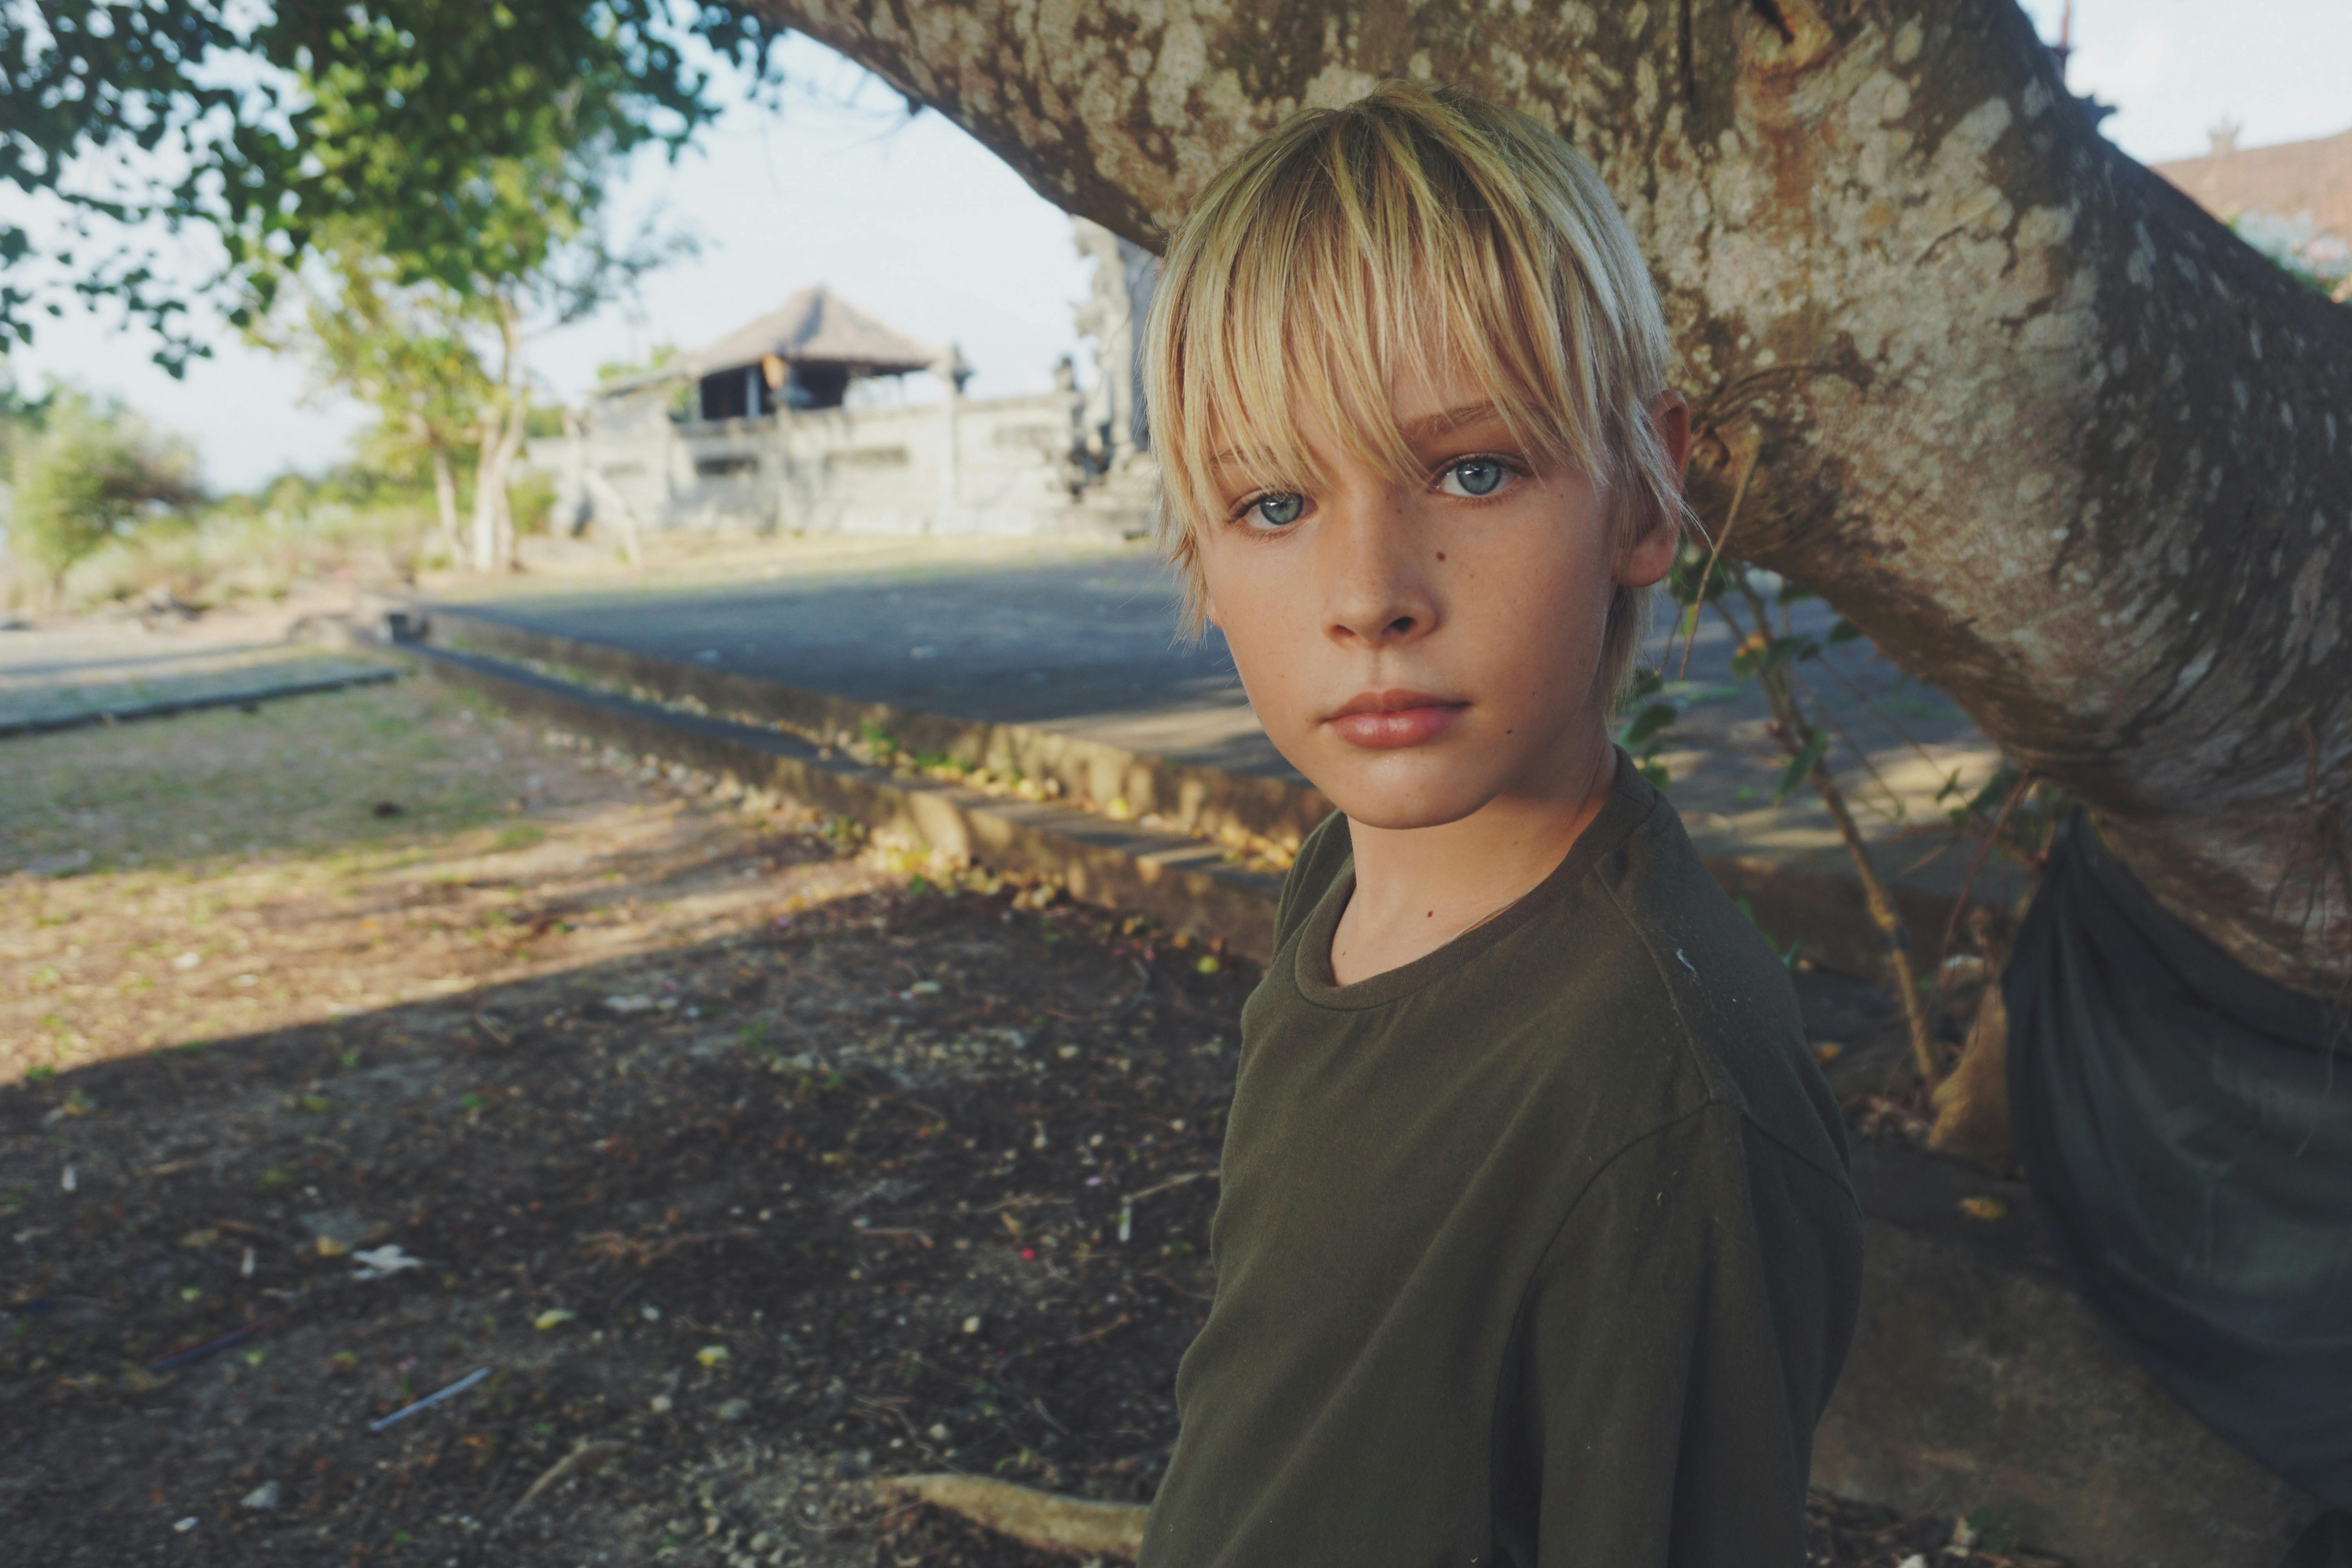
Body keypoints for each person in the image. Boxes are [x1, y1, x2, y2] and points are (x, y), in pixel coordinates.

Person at [1134, 82, 1864, 1568]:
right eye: (1274, 501)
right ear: (1200, 555)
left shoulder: (1658, 1094)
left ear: (1642, 496)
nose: (1369, 593)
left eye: (1474, 471)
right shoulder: (1349, 867)